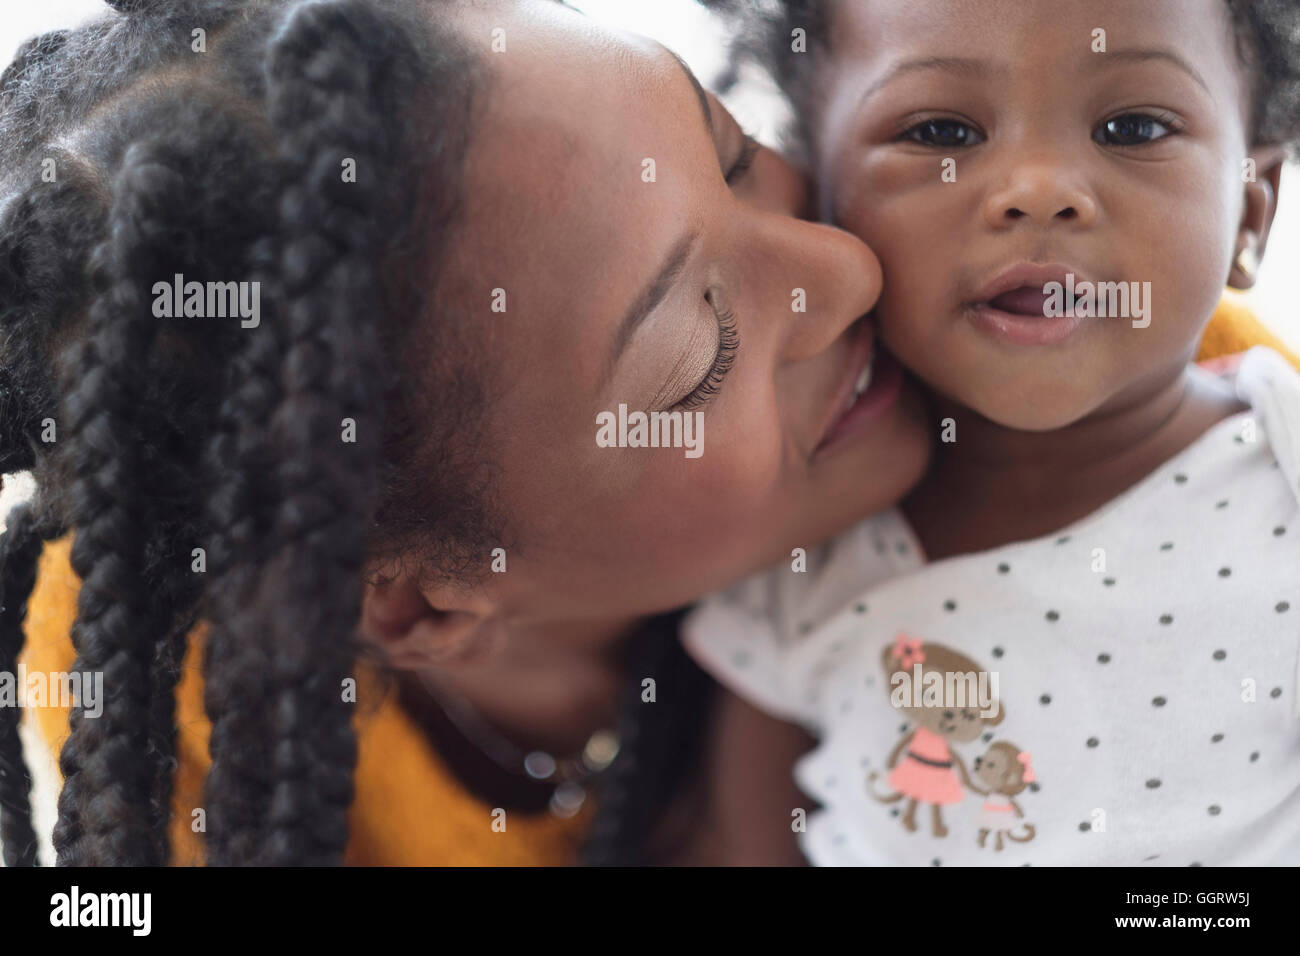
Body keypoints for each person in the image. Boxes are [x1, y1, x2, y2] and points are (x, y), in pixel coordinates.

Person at [0, 0, 935, 866]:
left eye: (733, 154)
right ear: (413, 605)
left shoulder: (983, 424)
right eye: (700, 355)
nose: (847, 267)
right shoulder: (155, 701)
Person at [685, 0, 1300, 864]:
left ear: (1249, 216)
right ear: (825, 210)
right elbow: (746, 837)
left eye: (1132, 126)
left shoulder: (1284, 468)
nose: (1039, 190)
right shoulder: (804, 538)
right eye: (940, 131)